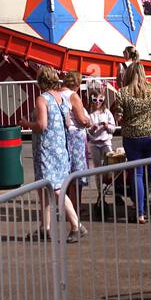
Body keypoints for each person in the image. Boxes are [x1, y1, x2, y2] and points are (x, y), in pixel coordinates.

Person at [30, 65, 86, 242]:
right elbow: (68, 121)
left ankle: (76, 224)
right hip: (60, 147)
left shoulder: (42, 99)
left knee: (55, 189)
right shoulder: (60, 98)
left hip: (46, 148)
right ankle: (44, 227)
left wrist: (26, 123)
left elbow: (42, 125)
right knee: (47, 187)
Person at [118, 60, 151, 224]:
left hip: (132, 136)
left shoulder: (122, 93)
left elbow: (119, 116)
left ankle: (140, 213)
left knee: (137, 174)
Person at [85, 79, 117, 204]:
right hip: (94, 144)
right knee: (97, 169)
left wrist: (106, 126)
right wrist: (92, 129)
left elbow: (113, 128)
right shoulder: (89, 114)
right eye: (94, 100)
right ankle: (100, 193)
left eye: (100, 100)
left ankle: (110, 186)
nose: (97, 102)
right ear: (91, 101)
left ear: (103, 101)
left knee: (110, 166)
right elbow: (87, 132)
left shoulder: (107, 112)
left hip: (105, 142)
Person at [60, 70, 94, 178]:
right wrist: (89, 122)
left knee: (66, 170)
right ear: (75, 84)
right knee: (77, 172)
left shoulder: (57, 93)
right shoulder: (72, 96)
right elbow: (82, 120)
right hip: (75, 136)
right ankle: (75, 194)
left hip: (63, 134)